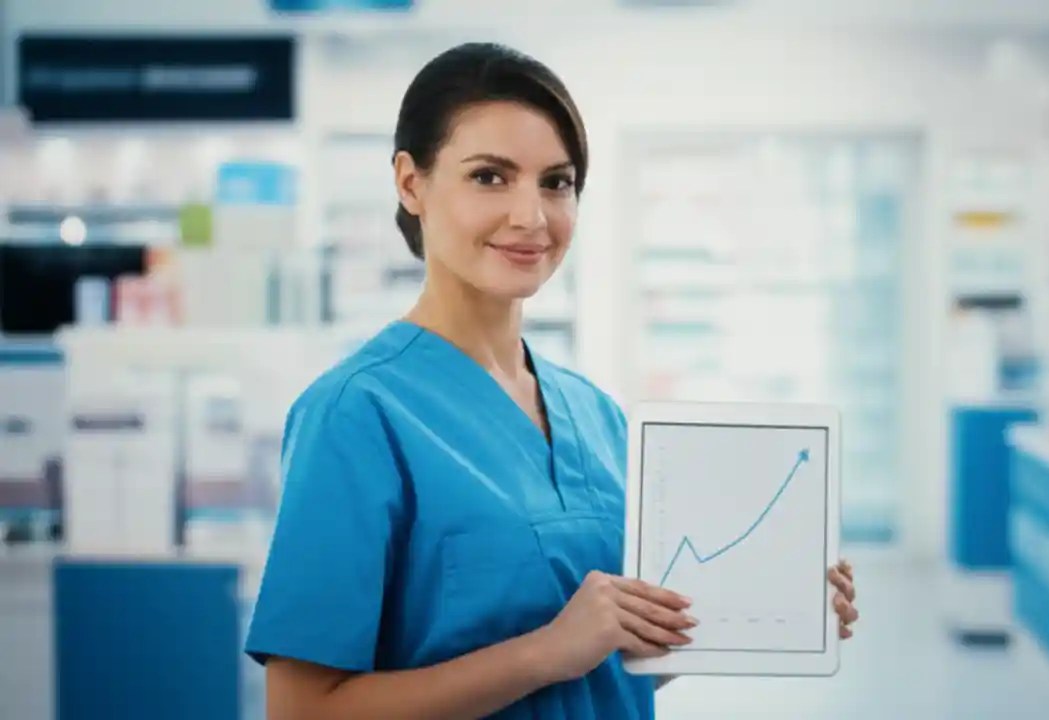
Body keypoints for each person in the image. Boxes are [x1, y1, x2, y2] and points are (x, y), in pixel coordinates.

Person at [244, 41, 860, 720]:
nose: (531, 216)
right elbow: (302, 711)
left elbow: (613, 671)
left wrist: (767, 604)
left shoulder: (597, 415)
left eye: (557, 182)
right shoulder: (355, 414)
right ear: (410, 182)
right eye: (489, 177)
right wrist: (545, 651)